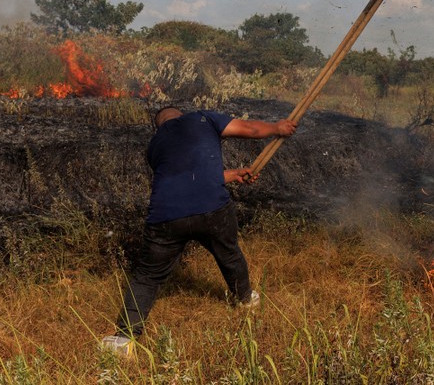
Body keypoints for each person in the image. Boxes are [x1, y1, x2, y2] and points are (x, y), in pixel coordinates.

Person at [102, 106, 297, 357]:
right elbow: (249, 129)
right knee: (229, 255)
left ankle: (123, 340)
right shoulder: (202, 118)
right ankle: (246, 301)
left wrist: (233, 174)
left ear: (158, 126)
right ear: (182, 115)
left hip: (165, 217)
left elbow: (183, 177)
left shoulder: (155, 144)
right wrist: (277, 128)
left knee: (147, 276)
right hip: (212, 208)